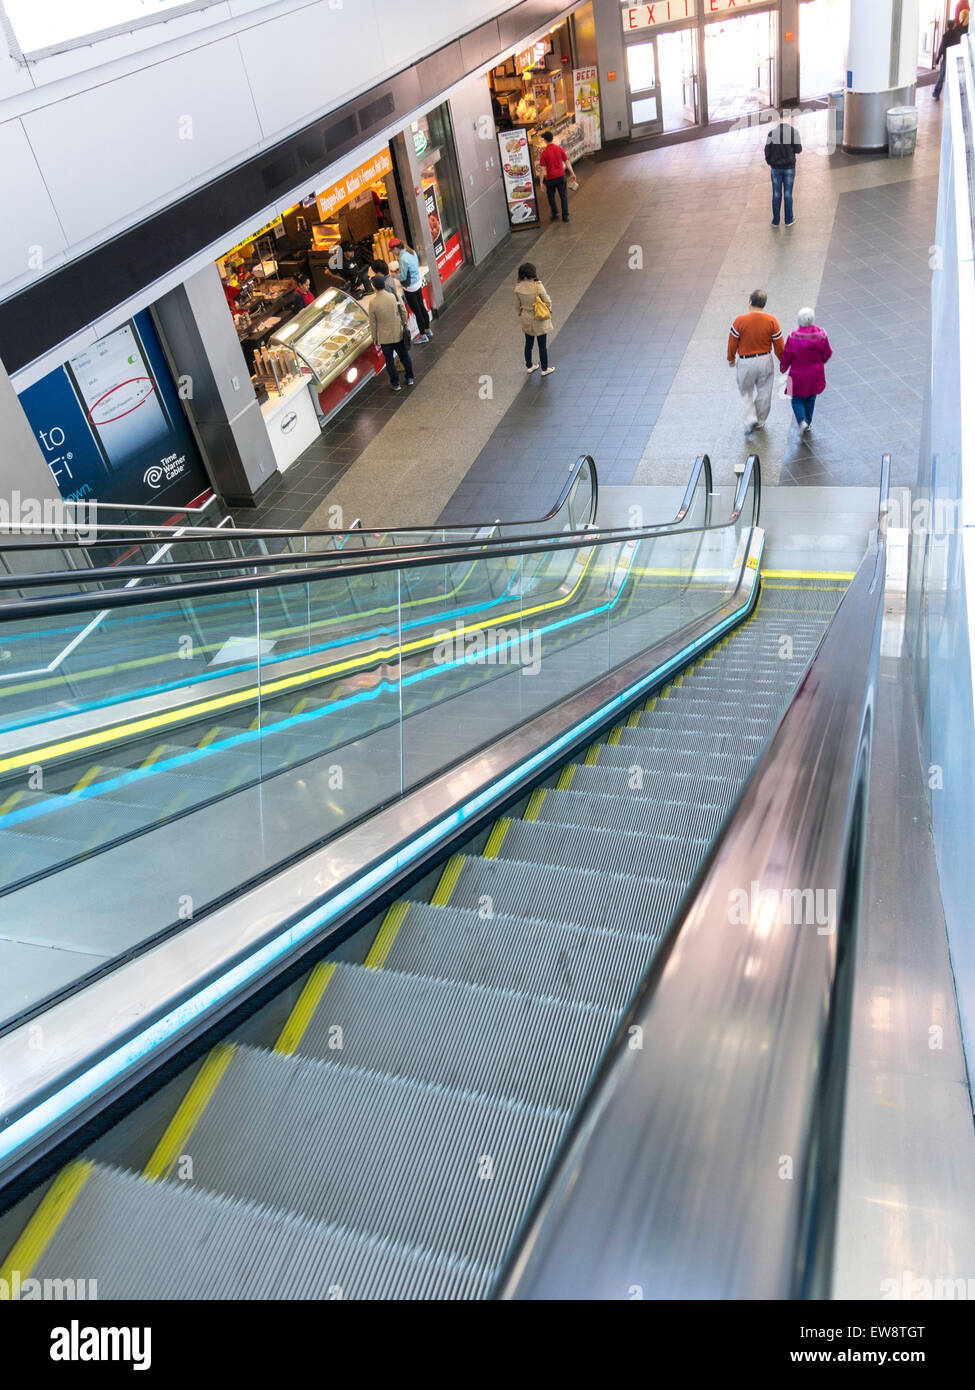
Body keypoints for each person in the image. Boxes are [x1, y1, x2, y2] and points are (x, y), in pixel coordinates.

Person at [727, 289, 784, 433]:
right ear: (764, 304)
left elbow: (732, 342)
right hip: (765, 360)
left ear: (750, 302)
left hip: (746, 361)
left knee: (746, 391)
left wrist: (731, 358)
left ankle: (750, 419)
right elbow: (779, 344)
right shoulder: (772, 320)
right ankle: (760, 420)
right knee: (765, 391)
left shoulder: (740, 320)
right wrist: (783, 360)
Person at [779, 308, 833, 435]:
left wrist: (783, 367)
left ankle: (801, 421)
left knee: (796, 399)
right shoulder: (822, 335)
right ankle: (807, 422)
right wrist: (820, 362)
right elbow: (827, 353)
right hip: (816, 373)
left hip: (796, 375)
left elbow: (787, 356)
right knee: (811, 398)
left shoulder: (793, 337)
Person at [367, 274, 414, 391]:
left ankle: (395, 383)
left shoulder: (373, 302)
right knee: (404, 356)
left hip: (384, 337)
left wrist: (375, 337)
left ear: (374, 287)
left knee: (389, 361)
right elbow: (403, 311)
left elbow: (373, 323)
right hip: (398, 332)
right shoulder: (394, 296)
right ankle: (409, 378)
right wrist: (403, 323)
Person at [515, 262, 554, 376]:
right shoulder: (537, 286)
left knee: (528, 343)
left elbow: (517, 306)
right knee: (542, 345)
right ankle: (545, 368)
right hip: (539, 317)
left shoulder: (518, 288)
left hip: (526, 318)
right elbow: (547, 300)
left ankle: (529, 366)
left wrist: (521, 313)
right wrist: (549, 309)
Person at [391, 238, 432, 343]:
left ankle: (422, 335)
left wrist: (394, 275)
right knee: (422, 307)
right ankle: (428, 330)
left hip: (410, 288)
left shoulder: (402, 258)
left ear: (396, 248)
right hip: (417, 283)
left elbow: (403, 277)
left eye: (392, 250)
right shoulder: (411, 251)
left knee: (417, 312)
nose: (392, 253)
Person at [764, 118, 802, 228]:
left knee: (776, 194)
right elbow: (799, 149)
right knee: (788, 193)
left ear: (780, 120)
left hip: (775, 168)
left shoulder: (772, 133)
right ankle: (789, 220)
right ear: (789, 120)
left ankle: (775, 221)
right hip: (789, 168)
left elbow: (767, 150)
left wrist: (770, 162)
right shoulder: (793, 132)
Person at [537, 130, 574, 223]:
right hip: (561, 176)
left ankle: (555, 213)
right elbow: (567, 162)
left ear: (545, 140)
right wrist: (572, 173)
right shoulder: (559, 149)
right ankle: (565, 216)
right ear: (552, 139)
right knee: (563, 196)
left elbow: (542, 169)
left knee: (551, 197)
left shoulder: (544, 153)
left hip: (550, 179)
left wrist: (541, 182)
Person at [933, 13, 968, 99]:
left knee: (941, 76)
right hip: (954, 59)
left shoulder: (946, 35)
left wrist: (937, 59)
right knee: (953, 77)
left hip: (946, 59)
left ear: (948, 26)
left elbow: (941, 48)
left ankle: (936, 93)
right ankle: (954, 95)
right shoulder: (958, 34)